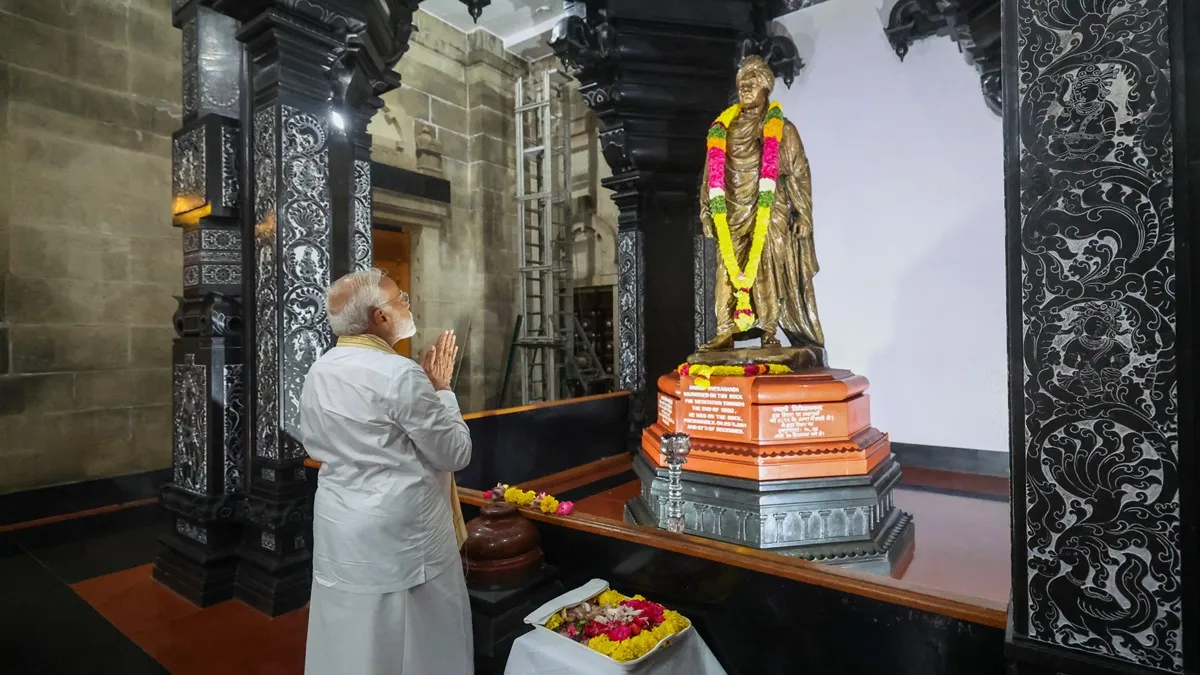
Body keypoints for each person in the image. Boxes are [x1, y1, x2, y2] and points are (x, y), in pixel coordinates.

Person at [299, 268, 473, 675]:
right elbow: (454, 452)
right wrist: (443, 388)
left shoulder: (320, 369)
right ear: (379, 317)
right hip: (401, 537)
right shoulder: (398, 373)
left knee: (349, 636)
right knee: (417, 641)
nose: (407, 304)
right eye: (400, 300)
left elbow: (317, 443)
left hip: (341, 525)